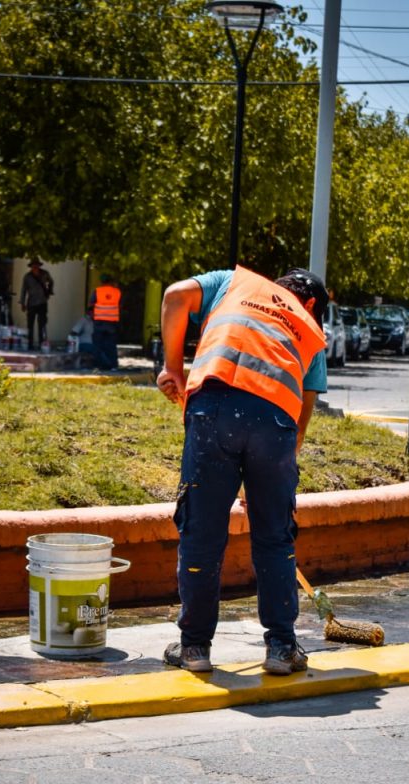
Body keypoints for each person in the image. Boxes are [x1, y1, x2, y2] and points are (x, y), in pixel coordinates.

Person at [157, 264, 329, 676]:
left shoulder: (233, 282)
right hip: (275, 424)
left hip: (214, 408)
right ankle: (282, 648)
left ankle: (195, 648)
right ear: (310, 303)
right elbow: (303, 411)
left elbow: (174, 296)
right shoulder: (307, 326)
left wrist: (172, 368)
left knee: (202, 532)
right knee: (273, 536)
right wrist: (271, 471)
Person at [87, 273, 122, 370]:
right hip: (112, 322)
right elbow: (120, 305)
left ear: (102, 281)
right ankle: (113, 365)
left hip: (99, 322)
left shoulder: (97, 291)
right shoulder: (117, 292)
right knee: (111, 345)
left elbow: (90, 305)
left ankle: (99, 365)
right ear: (110, 281)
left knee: (98, 344)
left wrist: (92, 315)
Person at [20, 258, 54, 350]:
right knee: (30, 325)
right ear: (31, 266)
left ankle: (41, 343)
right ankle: (29, 344)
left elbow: (51, 282)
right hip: (31, 303)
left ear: (39, 265)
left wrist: (49, 292)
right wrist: (22, 303)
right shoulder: (27, 276)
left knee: (42, 324)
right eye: (33, 265)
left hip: (42, 302)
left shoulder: (45, 274)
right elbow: (23, 290)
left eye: (37, 265)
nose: (35, 267)